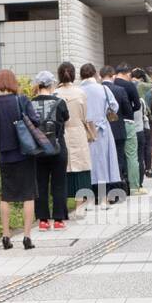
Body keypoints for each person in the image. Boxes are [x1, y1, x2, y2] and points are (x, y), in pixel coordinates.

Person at [0, 69, 38, 249]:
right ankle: (27, 237)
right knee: (28, 194)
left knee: (6, 195)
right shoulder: (21, 100)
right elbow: (35, 121)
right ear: (13, 83)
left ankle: (6, 236)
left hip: (5, 155)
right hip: (25, 152)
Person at [30, 71, 70, 229]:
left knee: (40, 183)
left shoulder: (29, 103)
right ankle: (59, 220)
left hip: (38, 149)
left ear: (38, 85)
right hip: (58, 147)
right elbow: (65, 119)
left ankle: (43, 220)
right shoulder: (59, 102)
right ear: (51, 84)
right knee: (59, 182)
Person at [79, 63, 119, 204]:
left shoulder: (79, 90)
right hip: (102, 130)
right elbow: (114, 106)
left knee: (87, 163)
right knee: (103, 163)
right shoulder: (103, 88)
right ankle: (103, 198)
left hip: (84, 132)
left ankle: (88, 198)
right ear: (95, 74)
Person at [56, 62, 92, 213]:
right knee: (81, 167)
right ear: (74, 74)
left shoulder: (55, 94)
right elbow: (85, 116)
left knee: (63, 168)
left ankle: (63, 205)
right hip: (78, 131)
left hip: (61, 132)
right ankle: (79, 205)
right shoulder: (80, 93)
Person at [106, 65, 140, 196]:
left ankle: (117, 184)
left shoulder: (106, 86)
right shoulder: (129, 86)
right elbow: (136, 105)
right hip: (128, 122)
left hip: (111, 124)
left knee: (114, 155)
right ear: (127, 73)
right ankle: (134, 186)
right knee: (131, 154)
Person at [132, 67, 152, 181]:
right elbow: (151, 84)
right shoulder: (140, 85)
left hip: (132, 119)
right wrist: (145, 73)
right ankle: (148, 168)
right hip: (142, 117)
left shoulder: (128, 84)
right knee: (146, 146)